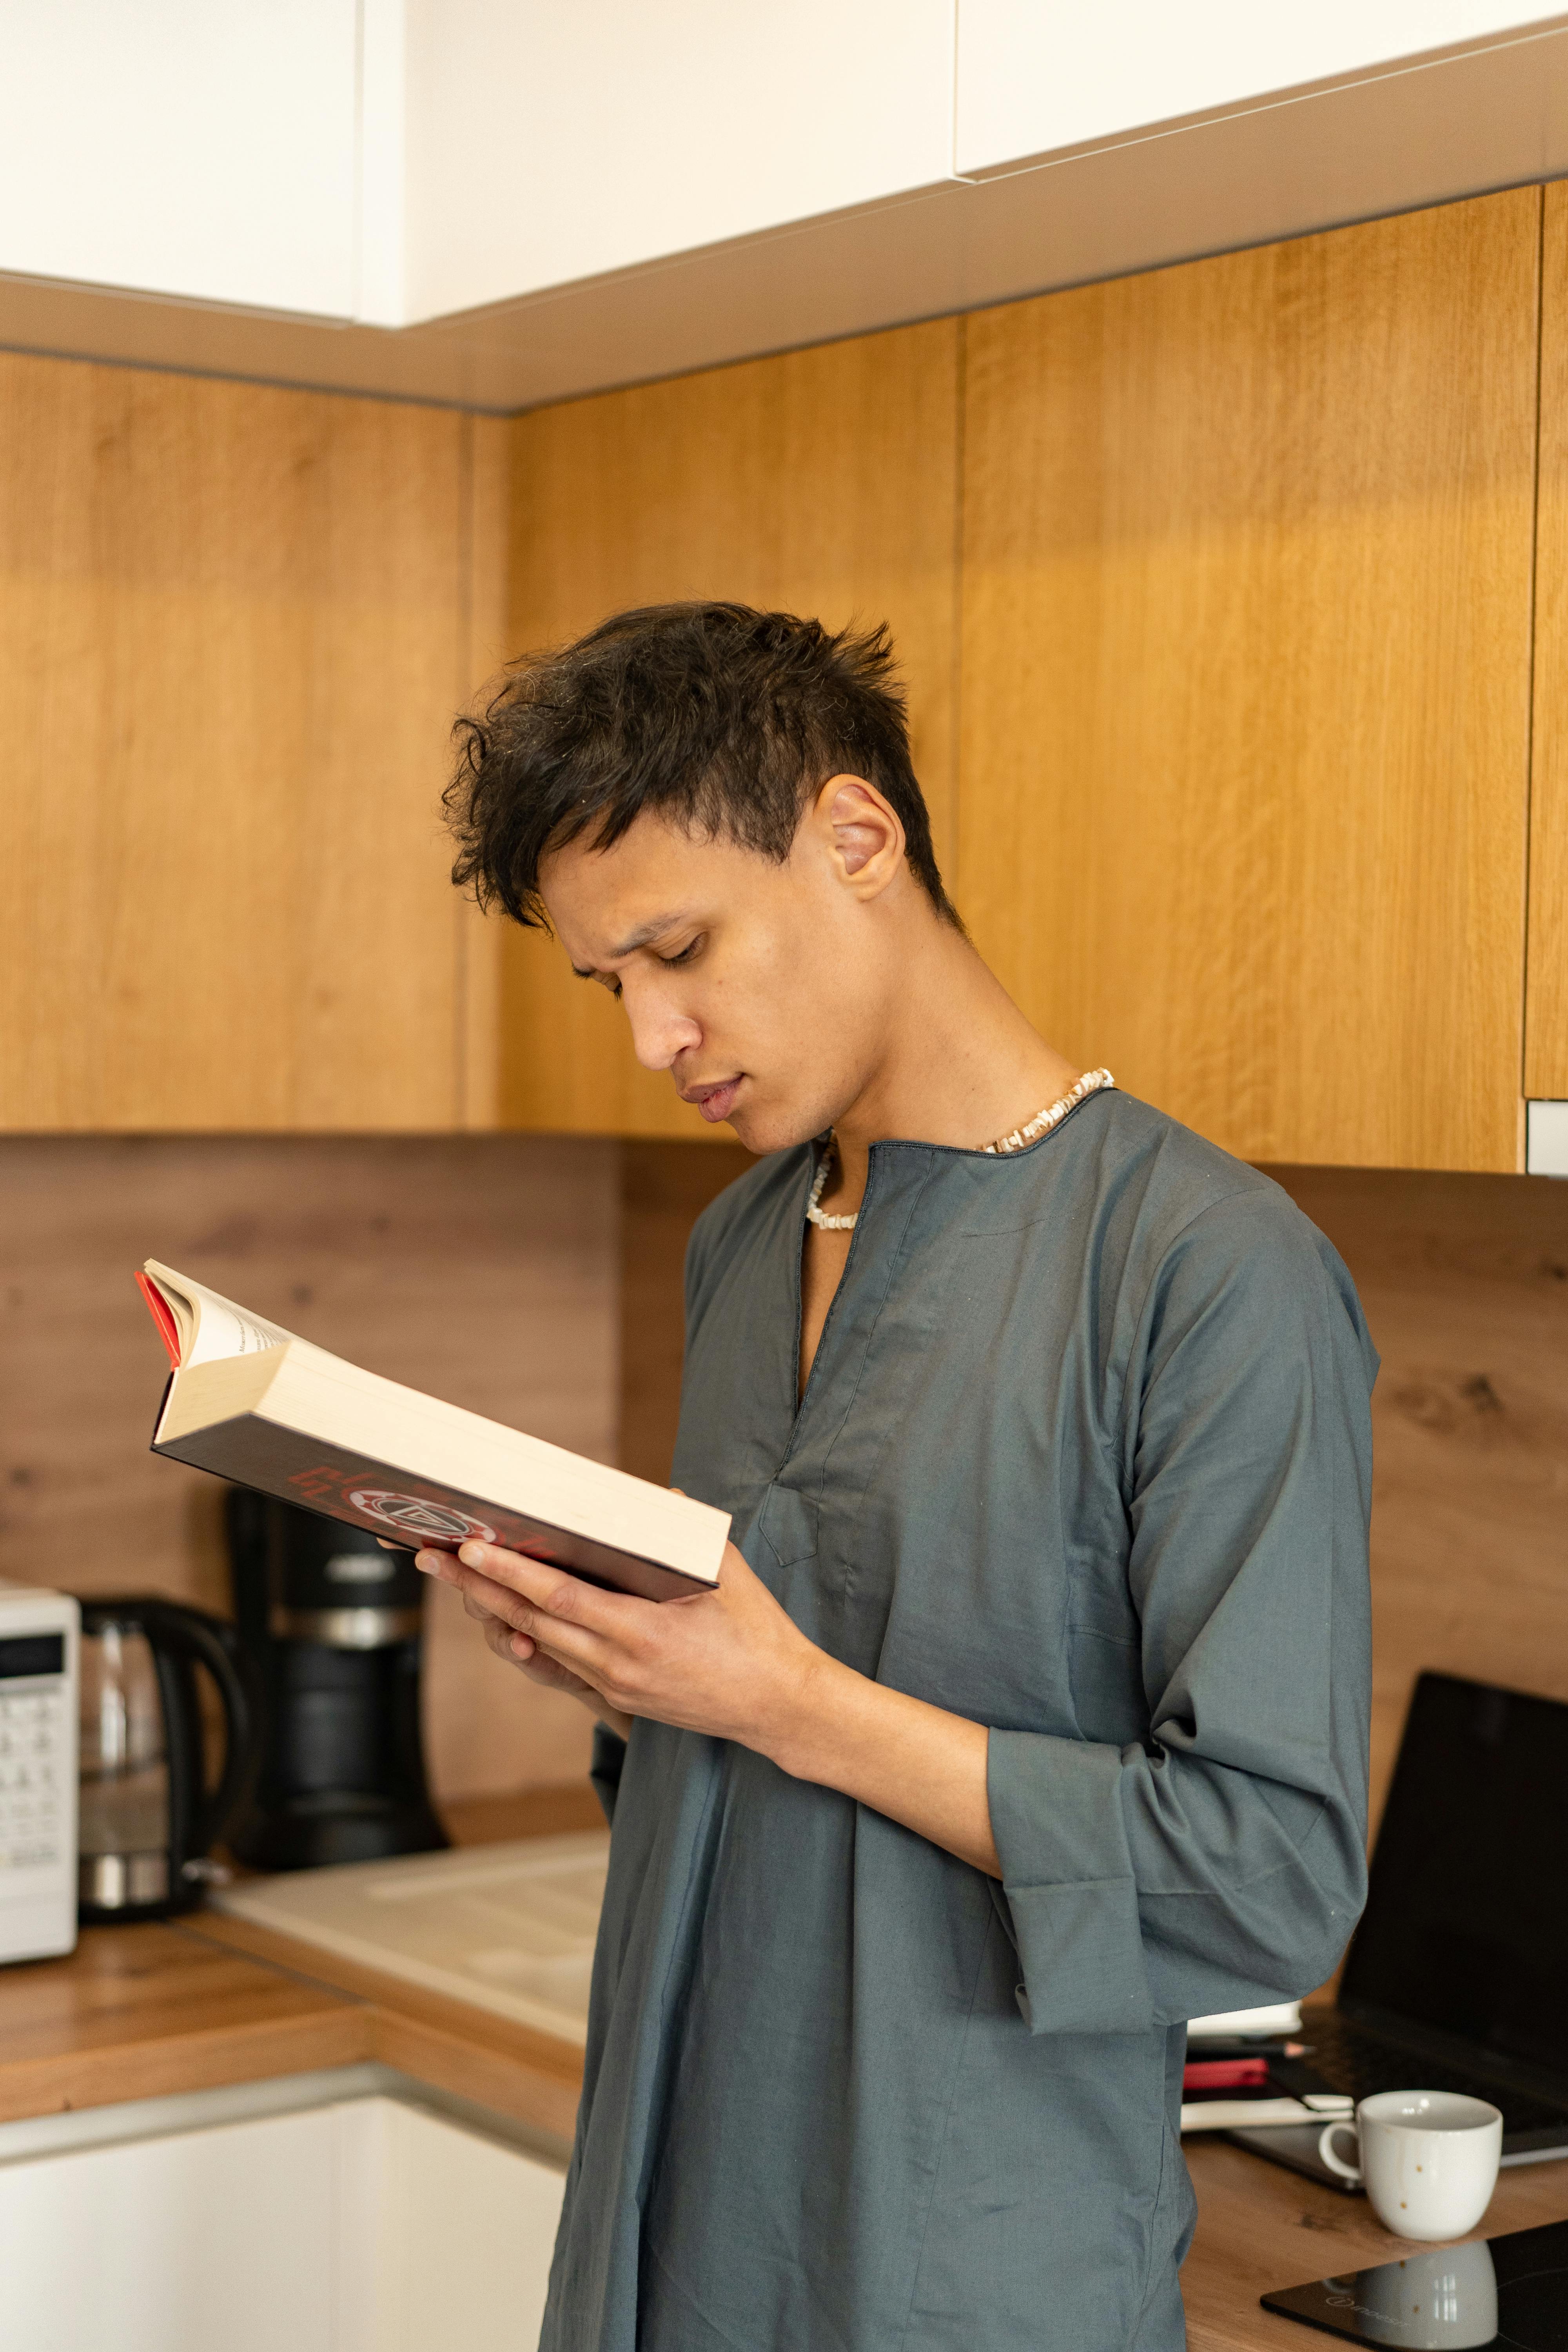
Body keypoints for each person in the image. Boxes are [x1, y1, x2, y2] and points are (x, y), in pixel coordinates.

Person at [432, 603, 1376, 2352]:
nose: (652, 1036)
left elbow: (1264, 1876)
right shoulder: (744, 1235)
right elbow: (734, 1743)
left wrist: (785, 1699)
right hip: (668, 2209)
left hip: (963, 2263)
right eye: (610, 983)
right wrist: (617, 1657)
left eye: (681, 950)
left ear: (855, 839)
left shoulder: (1203, 1268)